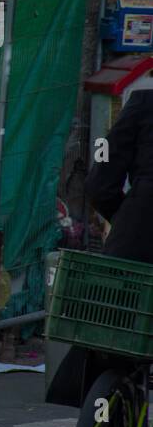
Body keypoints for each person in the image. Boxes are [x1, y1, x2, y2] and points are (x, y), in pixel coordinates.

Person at [47, 89, 153, 407]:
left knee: (111, 326)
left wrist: (126, 219)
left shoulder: (143, 104)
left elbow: (99, 183)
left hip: (138, 233)